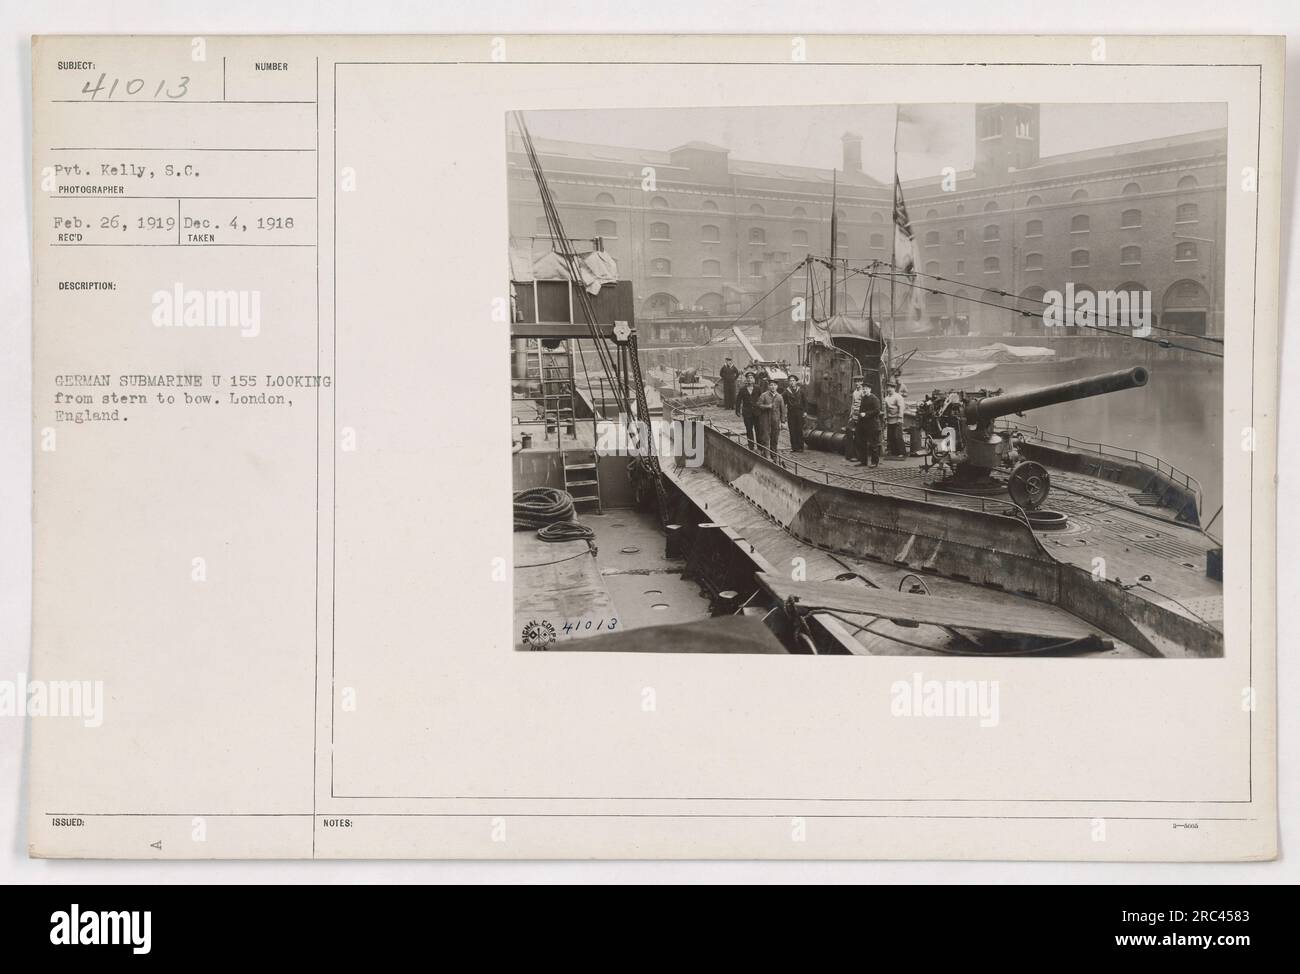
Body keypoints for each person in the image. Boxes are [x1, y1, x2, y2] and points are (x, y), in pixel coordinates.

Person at [856, 384, 883, 467]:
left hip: (872, 425)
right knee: (862, 443)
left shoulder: (874, 399)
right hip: (863, 425)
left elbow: (877, 411)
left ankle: (875, 462)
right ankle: (863, 461)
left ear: (870, 389)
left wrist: (866, 414)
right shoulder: (864, 398)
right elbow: (861, 410)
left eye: (866, 389)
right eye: (863, 389)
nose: (864, 390)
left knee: (873, 444)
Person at [759, 380, 785, 455]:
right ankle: (766, 456)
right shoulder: (764, 395)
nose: (773, 387)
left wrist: (783, 421)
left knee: (775, 438)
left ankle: (774, 455)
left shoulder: (779, 397)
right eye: (771, 385)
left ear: (777, 386)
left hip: (776, 420)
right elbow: (758, 405)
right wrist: (767, 406)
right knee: (765, 438)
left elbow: (783, 410)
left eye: (774, 385)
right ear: (768, 386)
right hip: (765, 420)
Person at [735, 373, 759, 447]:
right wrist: (738, 411)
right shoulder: (742, 389)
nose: (750, 379)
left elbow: (762, 398)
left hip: (757, 413)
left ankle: (760, 447)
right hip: (747, 413)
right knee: (749, 430)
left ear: (754, 379)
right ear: (746, 379)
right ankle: (751, 446)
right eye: (748, 378)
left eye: (751, 378)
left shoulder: (758, 388)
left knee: (758, 430)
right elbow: (738, 400)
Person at [884, 380, 907, 458]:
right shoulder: (886, 398)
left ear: (894, 388)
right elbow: (886, 409)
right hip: (890, 420)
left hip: (897, 419)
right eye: (888, 387)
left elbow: (901, 408)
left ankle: (902, 452)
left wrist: (900, 418)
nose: (889, 389)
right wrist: (885, 418)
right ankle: (894, 452)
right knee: (891, 437)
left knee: (898, 436)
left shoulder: (898, 397)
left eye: (891, 387)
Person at [782, 375, 805, 452]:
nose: (792, 382)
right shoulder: (786, 392)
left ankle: (801, 447)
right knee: (792, 430)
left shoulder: (801, 391)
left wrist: (805, 412)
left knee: (799, 430)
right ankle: (794, 447)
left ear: (796, 382)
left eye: (793, 381)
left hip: (799, 412)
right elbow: (783, 402)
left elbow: (805, 402)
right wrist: (784, 413)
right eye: (790, 381)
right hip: (791, 413)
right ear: (789, 382)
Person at [845, 376, 865, 461]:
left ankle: (858, 456)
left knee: (858, 436)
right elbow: (853, 405)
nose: (857, 383)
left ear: (862, 382)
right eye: (856, 381)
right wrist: (851, 416)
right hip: (854, 415)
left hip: (860, 416)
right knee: (849, 431)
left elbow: (864, 405)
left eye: (859, 381)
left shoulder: (863, 392)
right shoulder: (854, 392)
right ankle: (850, 454)